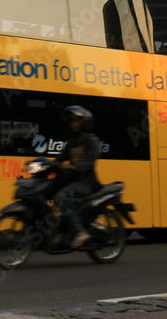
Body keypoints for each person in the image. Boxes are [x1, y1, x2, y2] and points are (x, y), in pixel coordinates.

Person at [54, 105, 103, 249]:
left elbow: (88, 164)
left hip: (87, 182)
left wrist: (71, 167)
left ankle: (80, 231)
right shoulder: (72, 143)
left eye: (75, 120)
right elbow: (60, 159)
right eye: (70, 121)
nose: (72, 124)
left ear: (85, 122)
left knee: (60, 198)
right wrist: (47, 165)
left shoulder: (92, 141)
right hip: (74, 180)